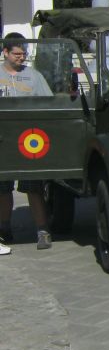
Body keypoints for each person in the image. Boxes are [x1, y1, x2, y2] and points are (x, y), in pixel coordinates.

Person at [0, 33, 54, 249]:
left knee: (33, 187)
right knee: (3, 188)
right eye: (16, 54)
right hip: (3, 141)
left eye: (23, 54)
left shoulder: (34, 76)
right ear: (5, 52)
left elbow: (48, 104)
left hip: (29, 141)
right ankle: (4, 228)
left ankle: (43, 231)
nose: (21, 58)